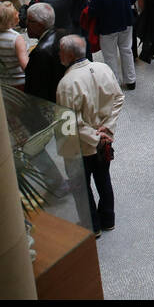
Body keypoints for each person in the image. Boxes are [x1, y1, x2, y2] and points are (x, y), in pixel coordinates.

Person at [56, 35, 124, 236]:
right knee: (104, 179)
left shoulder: (66, 84)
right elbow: (119, 98)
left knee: (80, 186)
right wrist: (107, 130)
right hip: (105, 141)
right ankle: (108, 219)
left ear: (68, 55)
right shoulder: (104, 68)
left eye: (60, 51)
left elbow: (71, 123)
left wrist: (95, 137)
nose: (59, 54)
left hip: (80, 146)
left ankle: (91, 226)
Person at [89, 0, 137, 90]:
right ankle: (131, 80)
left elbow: (93, 12)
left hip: (107, 27)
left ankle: (115, 83)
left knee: (110, 56)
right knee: (127, 50)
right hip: (126, 21)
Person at [23, 2, 67, 102]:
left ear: (39, 25)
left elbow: (34, 89)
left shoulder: (40, 53)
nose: (26, 24)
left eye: (29, 21)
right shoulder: (63, 33)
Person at [0, 1, 29, 89]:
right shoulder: (16, 38)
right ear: (9, 19)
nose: (18, 14)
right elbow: (25, 65)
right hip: (20, 82)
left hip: (3, 81)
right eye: (15, 12)